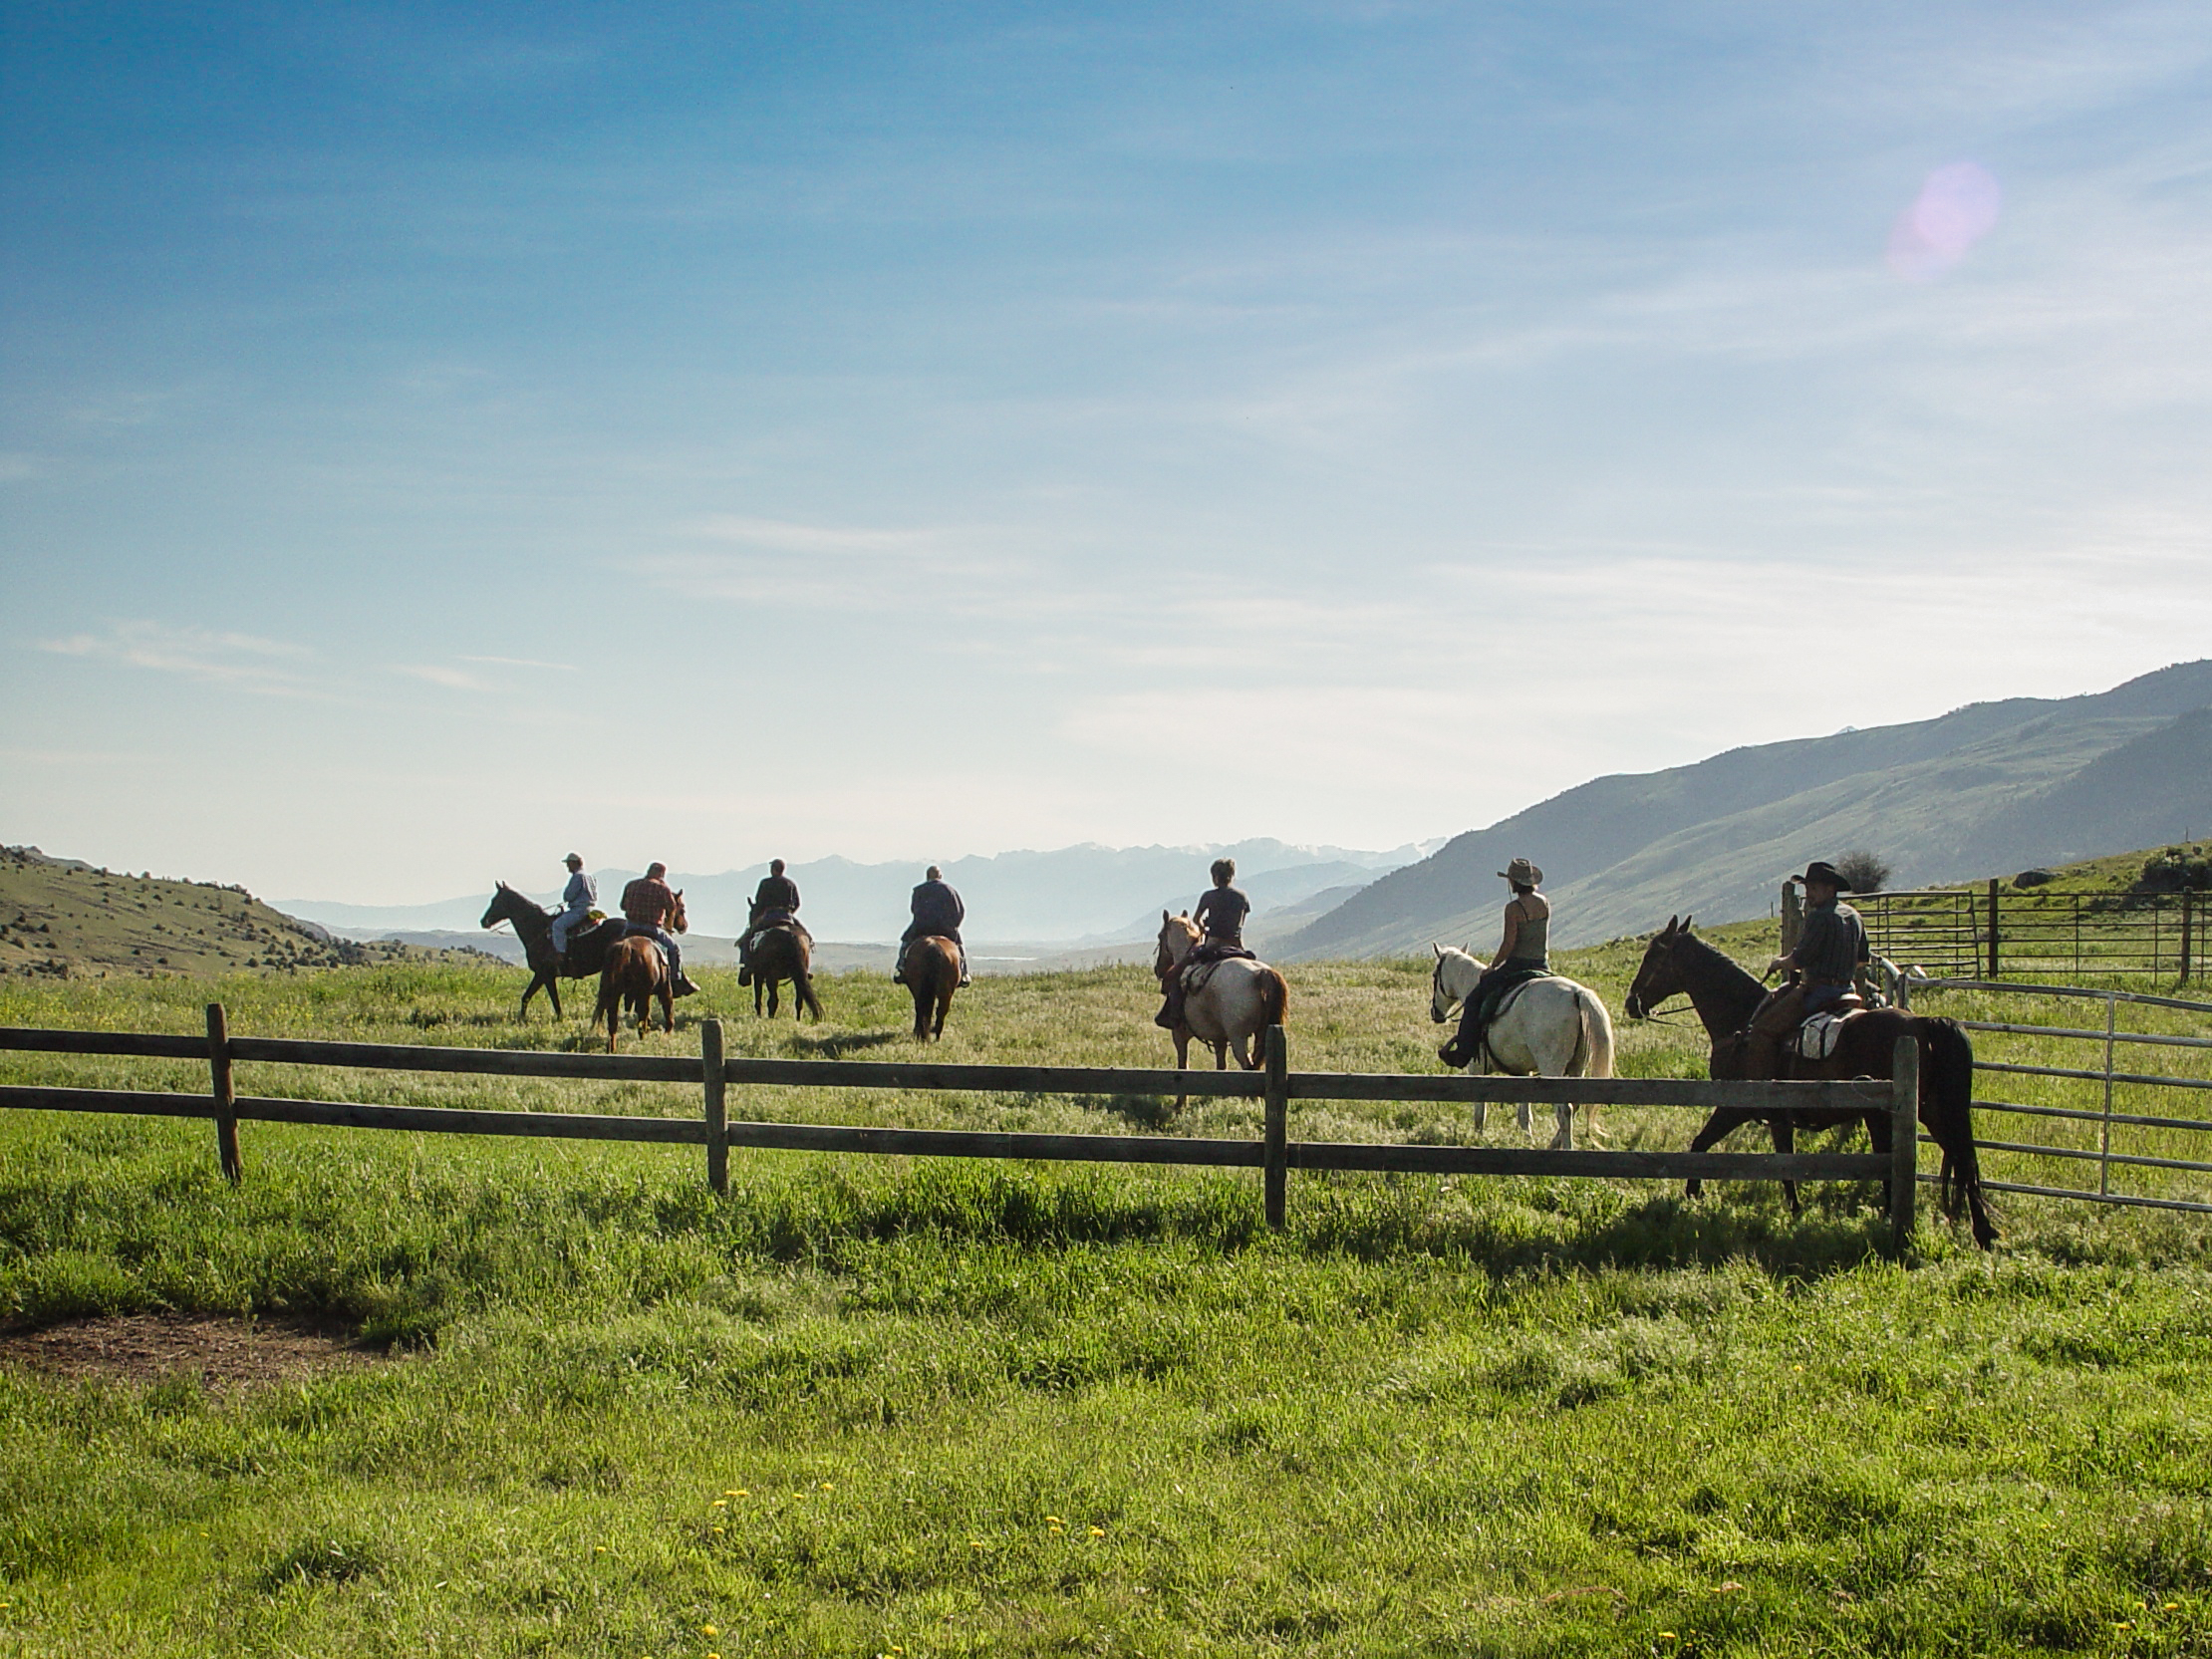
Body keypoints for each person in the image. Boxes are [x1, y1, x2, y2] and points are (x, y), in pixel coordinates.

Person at [1741, 859, 1871, 1080]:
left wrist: (1779, 963)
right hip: (1849, 991)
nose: (1809, 894)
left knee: (1762, 1032)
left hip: (1818, 992)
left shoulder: (1819, 916)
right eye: (1807, 888)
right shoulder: (1853, 916)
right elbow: (1862, 960)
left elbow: (1798, 960)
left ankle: (1763, 1093)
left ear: (1830, 889)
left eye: (1813, 888)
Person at [1438, 858, 1553, 1067]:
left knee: (1474, 1000)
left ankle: (1463, 1053)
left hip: (1518, 966)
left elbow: (1509, 943)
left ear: (1514, 883)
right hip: (1542, 965)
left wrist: (1492, 966)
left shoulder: (1514, 908)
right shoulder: (1544, 902)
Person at [1157, 858, 1254, 1029]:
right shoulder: (1242, 897)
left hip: (1213, 945)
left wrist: (1205, 927)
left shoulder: (1209, 896)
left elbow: (1196, 920)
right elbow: (1241, 922)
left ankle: (1175, 1016)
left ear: (1215, 877)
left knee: (1179, 975)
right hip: (1237, 945)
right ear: (1232, 876)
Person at [620, 860, 697, 996]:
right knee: (674, 949)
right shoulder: (662, 888)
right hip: (651, 929)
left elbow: (622, 906)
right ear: (661, 874)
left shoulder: (631, 885)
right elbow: (671, 908)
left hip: (630, 927)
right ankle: (675, 980)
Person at [896, 864, 968, 987]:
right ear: (940, 876)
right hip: (945, 928)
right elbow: (959, 912)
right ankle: (963, 972)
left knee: (905, 942)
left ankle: (901, 967)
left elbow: (914, 910)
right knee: (958, 947)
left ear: (927, 876)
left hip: (921, 928)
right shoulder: (950, 890)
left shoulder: (918, 890)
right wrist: (954, 926)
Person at [738, 858, 801, 986]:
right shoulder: (791, 883)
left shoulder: (765, 883)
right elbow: (797, 903)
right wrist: (790, 913)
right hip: (787, 916)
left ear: (773, 869)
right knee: (806, 937)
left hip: (768, 916)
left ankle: (747, 966)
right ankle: (805, 969)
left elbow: (759, 903)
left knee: (746, 938)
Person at [550, 853, 596, 959]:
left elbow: (569, 896)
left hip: (578, 910)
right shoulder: (590, 877)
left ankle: (561, 953)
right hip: (591, 908)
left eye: (568, 864)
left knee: (557, 925)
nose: (567, 867)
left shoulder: (577, 876)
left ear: (574, 863)